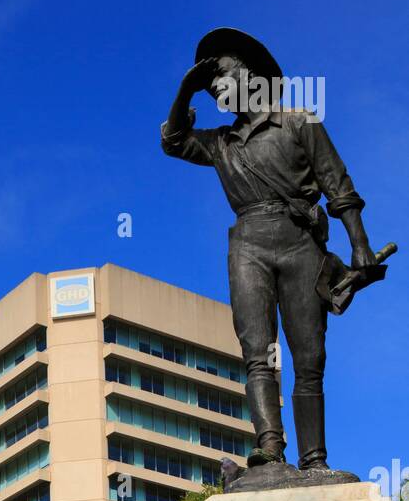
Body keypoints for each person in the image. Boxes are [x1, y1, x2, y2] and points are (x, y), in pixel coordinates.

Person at [162, 28, 380, 472]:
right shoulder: (220, 142)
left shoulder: (300, 121)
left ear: (251, 75)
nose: (215, 87)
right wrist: (185, 89)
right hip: (248, 244)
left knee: (309, 355)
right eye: (209, 84)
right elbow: (173, 141)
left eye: (221, 75)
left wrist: (360, 245)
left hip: (301, 242)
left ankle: (314, 461)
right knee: (256, 352)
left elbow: (337, 185)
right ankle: (270, 451)